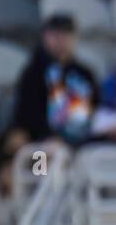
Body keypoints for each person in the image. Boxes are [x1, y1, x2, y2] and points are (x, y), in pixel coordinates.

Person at [10, 14, 96, 147]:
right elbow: (27, 114)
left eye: (66, 34)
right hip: (41, 140)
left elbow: (95, 109)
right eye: (55, 35)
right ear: (45, 37)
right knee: (40, 161)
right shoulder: (34, 73)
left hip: (81, 141)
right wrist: (48, 136)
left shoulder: (85, 74)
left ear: (75, 38)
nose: (61, 40)